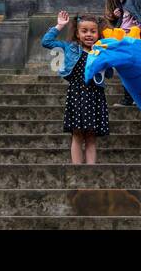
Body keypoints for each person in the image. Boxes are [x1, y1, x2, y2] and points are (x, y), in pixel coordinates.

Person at [42, 11, 111, 164]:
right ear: (77, 34)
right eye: (84, 31)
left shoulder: (101, 51)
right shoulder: (70, 47)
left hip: (95, 95)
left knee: (91, 136)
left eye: (93, 31)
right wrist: (59, 26)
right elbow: (46, 41)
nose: (89, 34)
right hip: (77, 94)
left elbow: (109, 72)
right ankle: (77, 169)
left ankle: (91, 169)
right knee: (77, 134)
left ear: (98, 34)